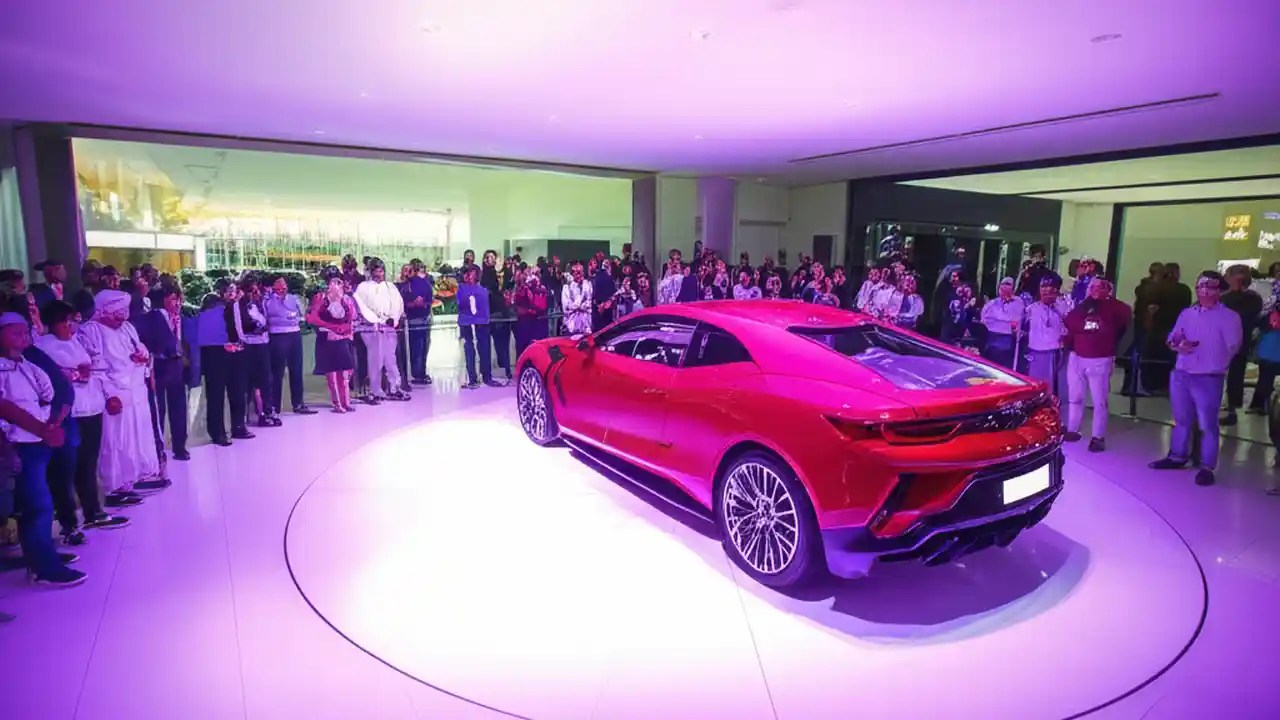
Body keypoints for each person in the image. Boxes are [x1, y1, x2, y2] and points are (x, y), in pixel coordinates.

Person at [0, 313, 84, 586]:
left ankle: (40, 557)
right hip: (18, 445)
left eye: (25, 332)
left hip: (39, 442)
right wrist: (43, 429)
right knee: (37, 506)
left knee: (39, 505)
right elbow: (7, 408)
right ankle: (45, 569)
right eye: (15, 333)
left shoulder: (26, 363)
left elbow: (47, 394)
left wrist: (54, 423)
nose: (23, 338)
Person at [36, 301, 132, 531]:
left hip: (93, 407)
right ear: (52, 323)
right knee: (68, 467)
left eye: (71, 321)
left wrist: (106, 392)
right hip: (70, 412)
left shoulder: (76, 340)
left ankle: (93, 512)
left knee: (88, 463)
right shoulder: (43, 347)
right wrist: (76, 373)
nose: (69, 326)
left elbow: (93, 368)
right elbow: (59, 377)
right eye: (64, 322)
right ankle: (69, 521)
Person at [1149, 271, 1244, 487]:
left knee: (1207, 424)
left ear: (1219, 290)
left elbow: (1233, 347)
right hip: (1182, 372)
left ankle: (1207, 466)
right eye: (1200, 286)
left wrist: (1212, 360)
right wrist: (1178, 345)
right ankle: (1177, 456)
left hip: (1209, 376)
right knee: (1181, 419)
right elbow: (1172, 338)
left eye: (1209, 287)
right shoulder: (1187, 313)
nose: (1204, 291)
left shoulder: (1230, 317)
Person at [76, 289, 167, 505]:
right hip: (114, 396)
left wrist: (143, 357)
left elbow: (140, 350)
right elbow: (93, 369)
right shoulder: (91, 331)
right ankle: (113, 489)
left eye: (124, 312)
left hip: (136, 391)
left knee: (135, 439)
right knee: (115, 442)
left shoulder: (127, 328)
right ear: (104, 312)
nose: (122, 317)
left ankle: (131, 482)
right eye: (117, 313)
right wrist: (108, 395)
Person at [1063, 278, 1130, 452]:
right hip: (1076, 356)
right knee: (1075, 397)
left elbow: (1118, 329)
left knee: (1100, 401)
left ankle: (1098, 436)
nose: (1094, 290)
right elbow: (1071, 323)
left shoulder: (1118, 308)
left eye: (1100, 287)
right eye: (1092, 287)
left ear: (1109, 290)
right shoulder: (1082, 306)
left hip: (1100, 358)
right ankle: (1072, 429)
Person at [196, 281, 250, 446]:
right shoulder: (212, 307)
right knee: (216, 396)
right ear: (221, 292)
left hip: (236, 353)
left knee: (238, 392)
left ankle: (238, 426)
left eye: (235, 291)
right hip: (215, 355)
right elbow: (206, 335)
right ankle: (217, 432)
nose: (233, 294)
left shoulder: (236, 308)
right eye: (229, 291)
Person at [354, 258, 408, 403]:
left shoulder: (390, 287)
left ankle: (394, 388)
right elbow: (361, 306)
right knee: (375, 359)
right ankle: (375, 390)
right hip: (371, 329)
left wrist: (393, 318)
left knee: (391, 358)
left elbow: (398, 304)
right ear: (371, 271)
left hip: (389, 328)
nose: (380, 274)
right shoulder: (363, 287)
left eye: (381, 270)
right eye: (377, 270)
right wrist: (376, 320)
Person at [264, 275, 316, 415]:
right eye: (278, 285)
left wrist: (292, 316)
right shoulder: (268, 300)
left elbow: (301, 315)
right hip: (277, 335)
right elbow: (269, 316)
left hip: (294, 334)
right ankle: (274, 406)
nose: (282, 288)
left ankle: (298, 403)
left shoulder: (293, 299)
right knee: (277, 372)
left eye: (284, 285)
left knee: (296, 369)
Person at [308, 270, 358, 413]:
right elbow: (312, 318)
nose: (336, 284)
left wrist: (347, 297)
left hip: (342, 339)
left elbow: (352, 317)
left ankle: (346, 401)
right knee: (332, 373)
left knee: (345, 372)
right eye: (333, 281)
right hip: (327, 338)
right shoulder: (320, 299)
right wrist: (332, 327)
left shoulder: (346, 300)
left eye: (338, 281)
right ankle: (337, 403)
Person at [1220, 264, 1263, 427]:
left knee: (1233, 376)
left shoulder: (1243, 298)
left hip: (1234, 342)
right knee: (1233, 376)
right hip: (1236, 341)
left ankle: (1230, 409)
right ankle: (1230, 409)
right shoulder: (1251, 298)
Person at [457, 265, 504, 389]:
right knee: (469, 350)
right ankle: (471, 378)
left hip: (483, 322)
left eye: (477, 273)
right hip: (468, 323)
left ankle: (487, 376)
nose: (475, 275)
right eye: (472, 273)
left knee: (484, 349)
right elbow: (462, 304)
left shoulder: (482, 289)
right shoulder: (462, 288)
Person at [1025, 272, 1071, 398]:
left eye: (1051, 287)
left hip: (1056, 351)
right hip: (1036, 351)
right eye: (1043, 287)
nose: (1047, 290)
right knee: (1036, 386)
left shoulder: (1063, 306)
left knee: (1053, 388)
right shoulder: (1030, 309)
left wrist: (1058, 310)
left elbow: (1069, 326)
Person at [481, 250, 514, 381]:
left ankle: (505, 368)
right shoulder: (484, 275)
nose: (491, 260)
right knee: (487, 345)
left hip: (503, 312)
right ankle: (487, 373)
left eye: (493, 257)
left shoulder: (503, 273)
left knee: (503, 344)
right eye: (488, 257)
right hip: (490, 313)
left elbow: (508, 286)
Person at [980, 278, 1025, 369]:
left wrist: (998, 321)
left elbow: (1015, 320)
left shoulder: (1018, 302)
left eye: (1008, 285)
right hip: (991, 338)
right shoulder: (992, 303)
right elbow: (984, 319)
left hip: (1007, 340)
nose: (1004, 287)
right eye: (1002, 284)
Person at [402, 260, 434, 386]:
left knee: (423, 347)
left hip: (424, 317)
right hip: (415, 319)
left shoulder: (425, 282)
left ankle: (421, 372)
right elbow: (405, 302)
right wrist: (414, 303)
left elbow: (429, 299)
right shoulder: (406, 285)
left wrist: (423, 303)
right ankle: (418, 373)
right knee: (418, 348)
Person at [1249, 308, 1280, 415]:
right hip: (1272, 353)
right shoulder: (1268, 315)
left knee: (1264, 380)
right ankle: (1261, 406)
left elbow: (1257, 330)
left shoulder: (1268, 316)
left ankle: (1259, 405)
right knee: (1266, 381)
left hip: (1267, 352)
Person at [513, 270, 550, 358]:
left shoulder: (534, 289)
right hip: (525, 322)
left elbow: (536, 304)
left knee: (529, 347)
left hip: (531, 322)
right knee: (523, 348)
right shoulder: (519, 290)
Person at [561, 261, 593, 336]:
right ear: (572, 274)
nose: (580, 275)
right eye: (578, 273)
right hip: (572, 326)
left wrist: (582, 306)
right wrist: (579, 305)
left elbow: (590, 301)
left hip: (586, 326)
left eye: (581, 272)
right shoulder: (567, 288)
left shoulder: (588, 284)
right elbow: (566, 306)